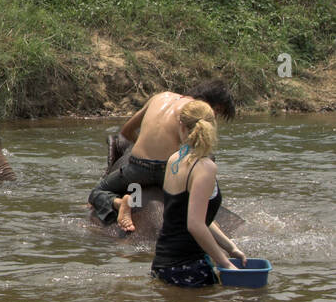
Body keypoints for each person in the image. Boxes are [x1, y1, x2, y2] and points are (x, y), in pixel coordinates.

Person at [89, 79, 236, 232]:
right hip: (167, 172)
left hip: (137, 168)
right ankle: (209, 219)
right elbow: (197, 150)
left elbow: (126, 131)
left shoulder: (160, 97)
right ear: (214, 106)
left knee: (97, 191)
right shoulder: (197, 112)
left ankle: (118, 203)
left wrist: (147, 148)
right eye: (218, 112)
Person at [150, 100, 246, 287]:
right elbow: (195, 224)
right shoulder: (205, 167)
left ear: (181, 126)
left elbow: (192, 216)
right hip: (188, 266)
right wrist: (224, 263)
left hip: (162, 262)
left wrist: (231, 248)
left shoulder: (174, 160)